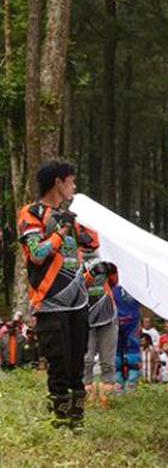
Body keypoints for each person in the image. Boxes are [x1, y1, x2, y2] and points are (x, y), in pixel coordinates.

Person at [18, 160, 91, 428]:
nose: (74, 186)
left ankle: (77, 422)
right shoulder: (31, 212)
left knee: (77, 365)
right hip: (49, 301)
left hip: (77, 301)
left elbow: (92, 243)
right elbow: (36, 254)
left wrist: (79, 226)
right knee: (59, 365)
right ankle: (59, 424)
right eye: (71, 181)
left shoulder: (71, 217)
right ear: (58, 182)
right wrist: (60, 233)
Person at [79, 226, 120, 406]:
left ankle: (106, 396)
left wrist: (112, 271)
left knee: (108, 359)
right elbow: (76, 286)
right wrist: (91, 274)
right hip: (85, 315)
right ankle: (85, 394)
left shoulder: (105, 253)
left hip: (107, 313)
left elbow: (113, 283)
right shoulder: (73, 256)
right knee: (87, 358)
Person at [113, 285, 143, 391]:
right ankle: (120, 382)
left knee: (131, 352)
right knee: (116, 352)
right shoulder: (111, 275)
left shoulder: (136, 280)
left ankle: (130, 382)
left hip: (130, 320)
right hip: (116, 320)